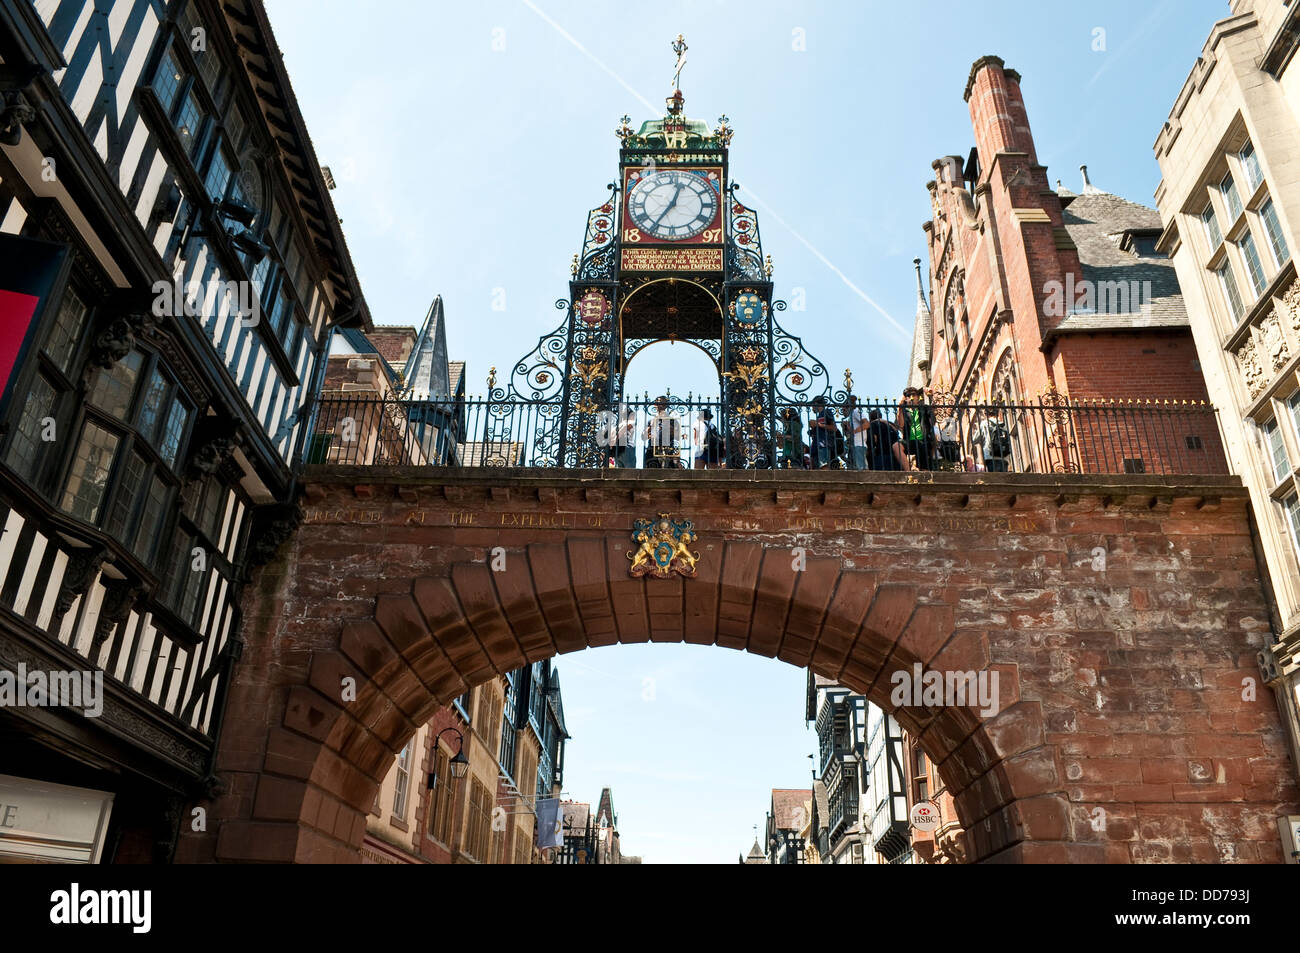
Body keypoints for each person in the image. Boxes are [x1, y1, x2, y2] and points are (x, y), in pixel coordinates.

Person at [896, 387, 935, 471]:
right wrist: (899, 407)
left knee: (924, 470)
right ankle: (908, 471)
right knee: (896, 446)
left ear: (918, 397)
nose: (911, 397)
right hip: (910, 441)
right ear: (905, 398)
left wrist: (930, 397)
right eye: (908, 395)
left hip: (923, 441)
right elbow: (901, 425)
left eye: (913, 395)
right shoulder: (903, 411)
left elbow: (933, 422)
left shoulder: (924, 408)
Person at [644, 396, 682, 468]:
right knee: (650, 475)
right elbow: (643, 437)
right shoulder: (651, 421)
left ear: (666, 406)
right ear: (655, 405)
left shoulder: (673, 421)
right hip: (652, 450)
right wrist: (650, 427)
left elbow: (678, 437)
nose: (660, 405)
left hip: (668, 450)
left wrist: (671, 430)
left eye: (663, 403)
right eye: (658, 403)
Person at [976, 406, 1012, 472]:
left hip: (990, 456)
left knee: (994, 478)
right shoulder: (1002, 424)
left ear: (986, 414)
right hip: (1003, 456)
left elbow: (975, 439)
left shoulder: (984, 423)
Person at [808, 395, 838, 469]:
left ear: (816, 404)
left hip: (823, 443)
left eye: (812, 405)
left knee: (824, 466)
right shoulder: (819, 416)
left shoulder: (827, 412)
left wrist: (818, 424)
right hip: (816, 445)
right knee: (817, 467)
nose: (812, 408)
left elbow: (834, 428)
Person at [845, 396, 869, 470]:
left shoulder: (856, 411)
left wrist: (854, 431)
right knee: (858, 469)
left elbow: (867, 424)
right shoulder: (853, 414)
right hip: (856, 444)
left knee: (862, 469)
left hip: (859, 444)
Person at [615, 404, 638, 469]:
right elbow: (626, 427)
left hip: (618, 449)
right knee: (630, 472)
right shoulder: (630, 422)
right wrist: (616, 438)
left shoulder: (619, 424)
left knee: (619, 472)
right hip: (627, 448)